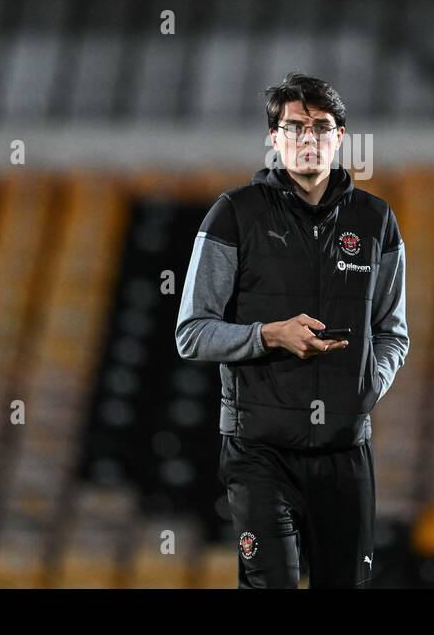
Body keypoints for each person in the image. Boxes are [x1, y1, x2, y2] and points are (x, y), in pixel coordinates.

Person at [175, 72, 410, 588]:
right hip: (260, 450)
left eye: (321, 128)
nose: (309, 140)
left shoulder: (376, 221)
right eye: (295, 127)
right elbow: (191, 333)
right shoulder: (233, 215)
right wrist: (269, 335)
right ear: (274, 137)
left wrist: (369, 386)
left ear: (341, 137)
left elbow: (394, 332)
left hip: (345, 452)